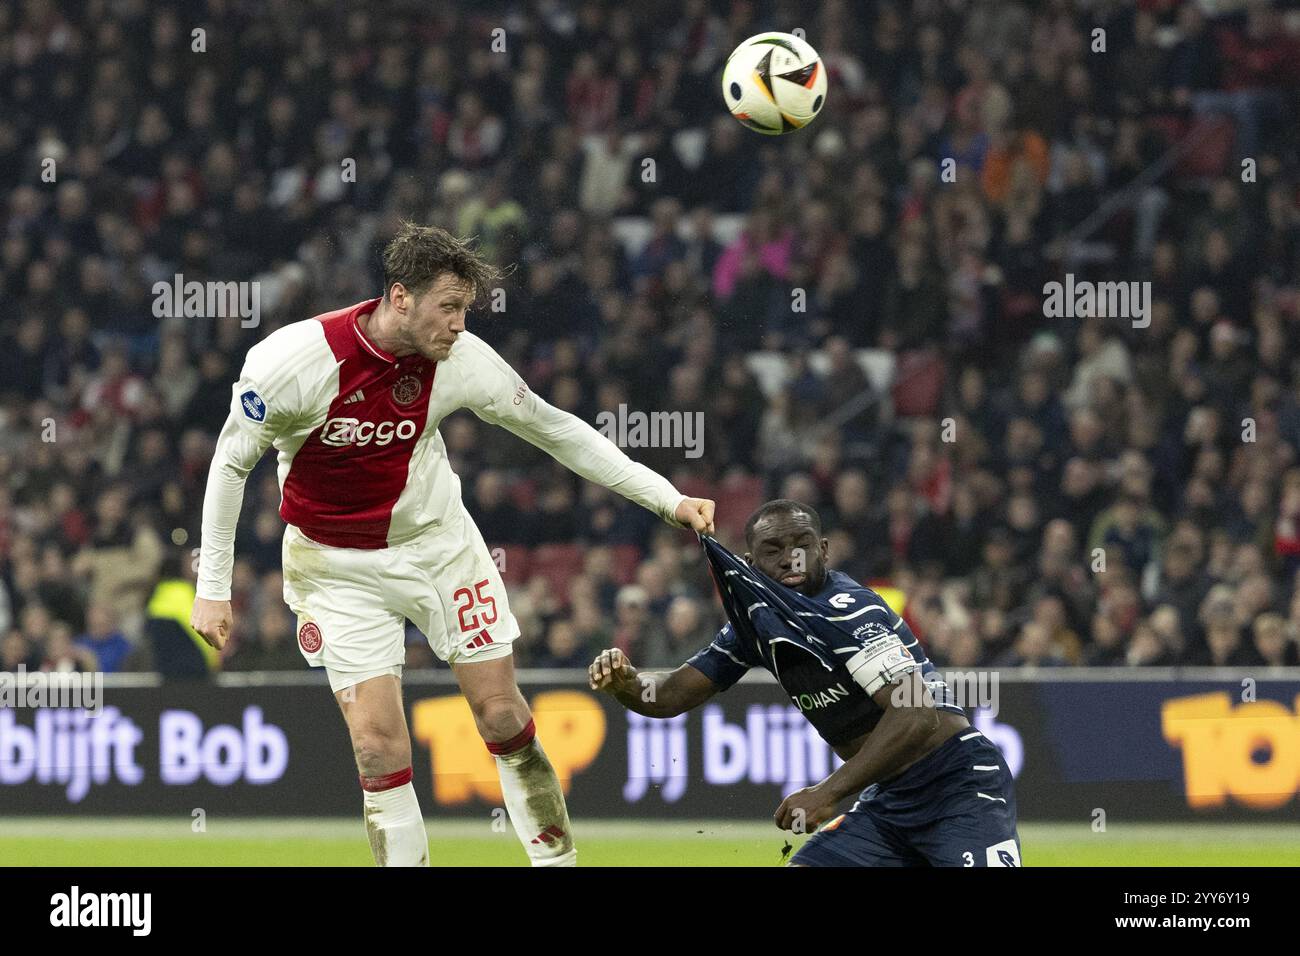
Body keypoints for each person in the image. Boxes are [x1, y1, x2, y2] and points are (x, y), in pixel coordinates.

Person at [191, 223, 715, 867]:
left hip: (439, 548)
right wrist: (213, 589)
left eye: (467, 309)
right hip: (333, 568)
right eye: (450, 307)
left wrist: (667, 498)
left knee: (500, 715)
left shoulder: (460, 360)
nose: (461, 324)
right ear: (400, 296)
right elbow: (228, 466)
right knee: (378, 750)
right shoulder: (294, 362)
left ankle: (559, 864)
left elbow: (555, 429)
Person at [590, 499, 1019, 867]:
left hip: (957, 783)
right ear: (749, 563)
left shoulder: (848, 609)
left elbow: (916, 714)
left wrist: (825, 793)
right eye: (773, 550)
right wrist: (626, 683)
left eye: (802, 546)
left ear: (825, 551)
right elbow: (670, 696)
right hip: (890, 798)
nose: (791, 558)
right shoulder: (755, 627)